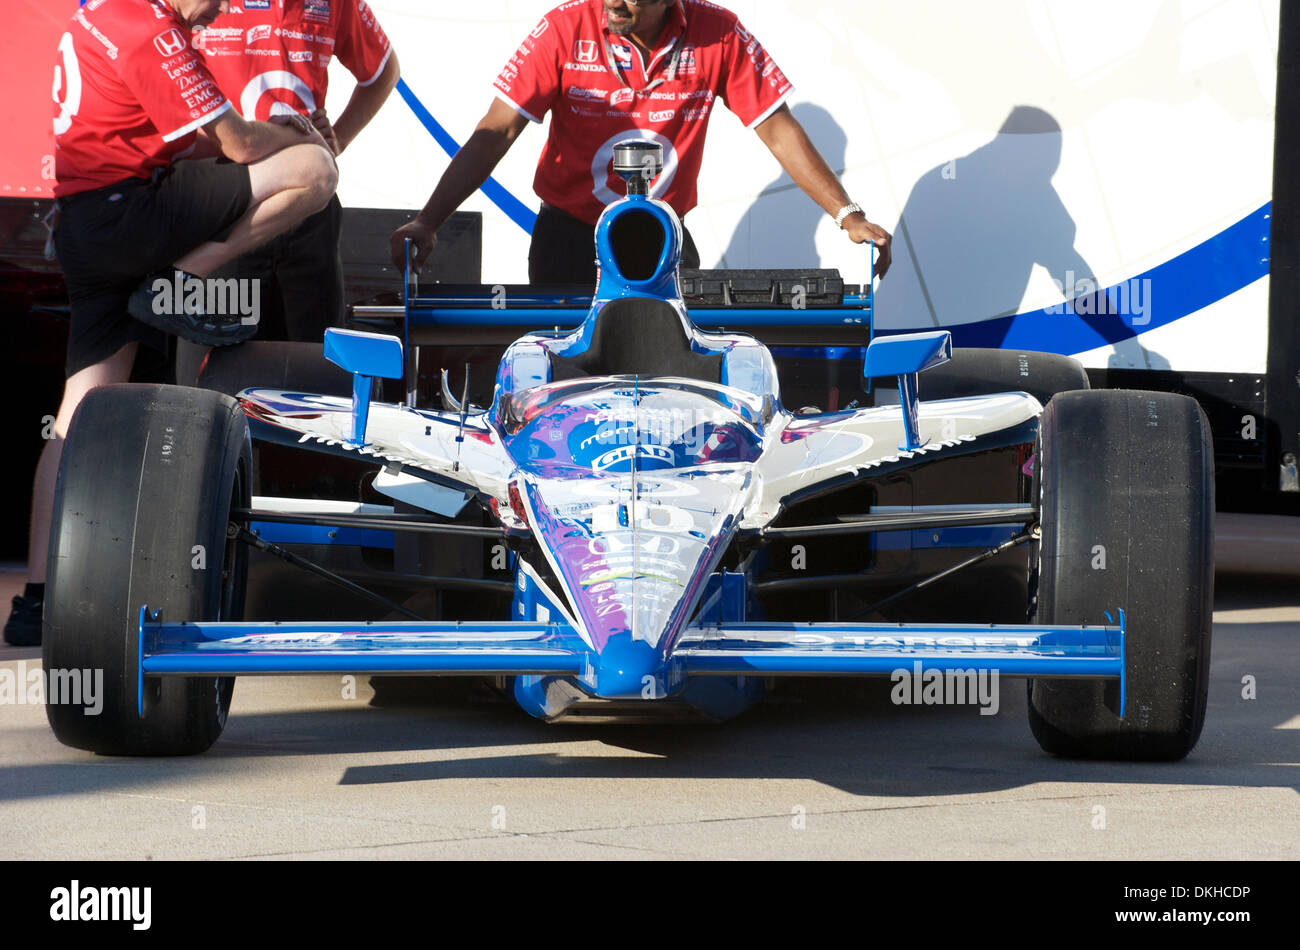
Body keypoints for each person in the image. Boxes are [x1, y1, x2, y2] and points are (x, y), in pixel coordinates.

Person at [4, 0, 338, 646]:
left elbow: (187, 136)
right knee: (316, 172)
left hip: (84, 222)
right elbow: (238, 143)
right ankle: (182, 282)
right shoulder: (149, 24)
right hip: (130, 212)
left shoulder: (101, 12)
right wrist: (298, 137)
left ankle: (36, 602)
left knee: (75, 413)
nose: (216, 11)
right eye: (214, 0)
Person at [389, 0, 892, 285]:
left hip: (664, 238)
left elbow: (776, 126)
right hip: (568, 238)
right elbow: (496, 131)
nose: (614, 3)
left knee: (669, 388)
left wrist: (847, 215)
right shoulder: (564, 29)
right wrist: (428, 220)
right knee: (566, 390)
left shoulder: (720, 33)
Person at [177, 0, 400, 383]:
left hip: (307, 206)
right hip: (223, 199)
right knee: (209, 375)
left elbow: (384, 70)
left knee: (315, 377)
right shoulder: (199, 5)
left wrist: (339, 140)